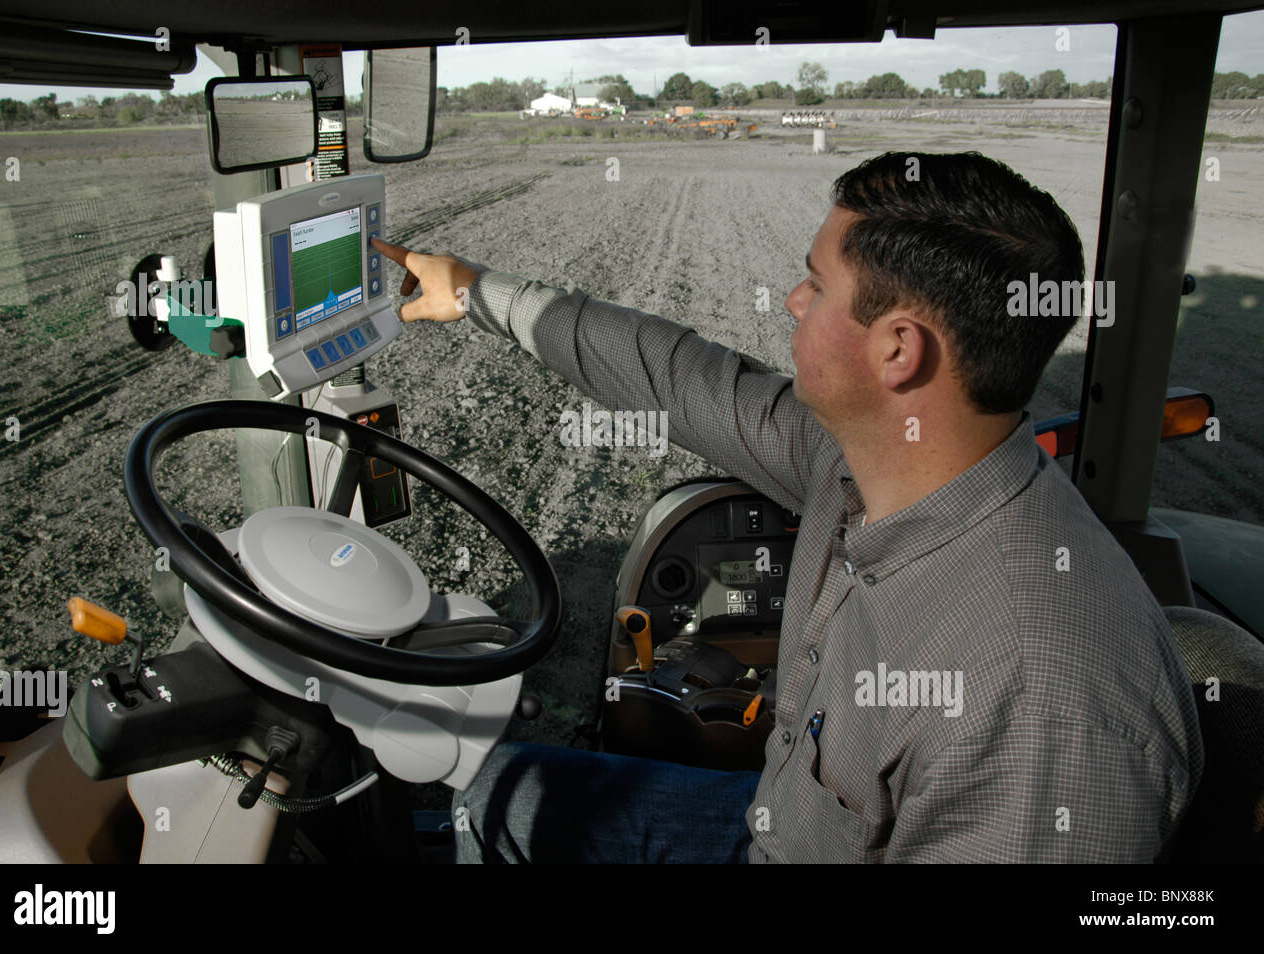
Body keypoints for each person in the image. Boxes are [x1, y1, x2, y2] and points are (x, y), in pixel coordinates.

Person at [370, 151, 1202, 863]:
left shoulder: (1042, 709)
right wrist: (476, 291)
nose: (795, 302)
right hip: (775, 833)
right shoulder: (867, 459)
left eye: (815, 283)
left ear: (898, 349)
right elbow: (679, 378)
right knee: (490, 791)